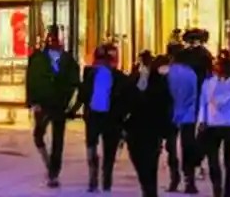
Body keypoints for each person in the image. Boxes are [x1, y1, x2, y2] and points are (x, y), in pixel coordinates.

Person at [25, 25, 81, 189]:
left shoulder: (67, 61)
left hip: (58, 104)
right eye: (52, 38)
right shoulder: (38, 59)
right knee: (39, 135)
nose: (54, 41)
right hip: (44, 103)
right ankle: (50, 166)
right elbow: (31, 80)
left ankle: (53, 171)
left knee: (57, 141)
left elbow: (75, 82)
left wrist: (71, 104)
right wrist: (33, 102)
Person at [70, 44, 125, 193]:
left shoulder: (91, 75)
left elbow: (83, 95)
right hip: (108, 119)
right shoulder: (117, 77)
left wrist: (73, 110)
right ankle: (104, 180)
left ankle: (96, 178)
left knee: (95, 147)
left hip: (98, 117)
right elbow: (125, 100)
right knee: (106, 151)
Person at [125, 53, 173, 197]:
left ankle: (149, 190)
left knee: (145, 164)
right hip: (147, 130)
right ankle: (149, 190)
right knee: (149, 164)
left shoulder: (139, 81)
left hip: (142, 129)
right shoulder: (157, 83)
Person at [199, 53, 230, 197]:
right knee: (219, 161)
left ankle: (223, 190)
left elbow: (207, 103)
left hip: (223, 124)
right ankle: (221, 190)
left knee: (224, 161)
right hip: (222, 124)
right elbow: (203, 103)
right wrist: (203, 120)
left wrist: (203, 119)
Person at [165, 43, 200, 194]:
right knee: (188, 146)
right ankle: (189, 179)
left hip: (171, 113)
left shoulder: (167, 73)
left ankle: (174, 178)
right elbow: (194, 94)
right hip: (188, 114)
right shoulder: (191, 73)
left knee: (171, 147)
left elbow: (164, 94)